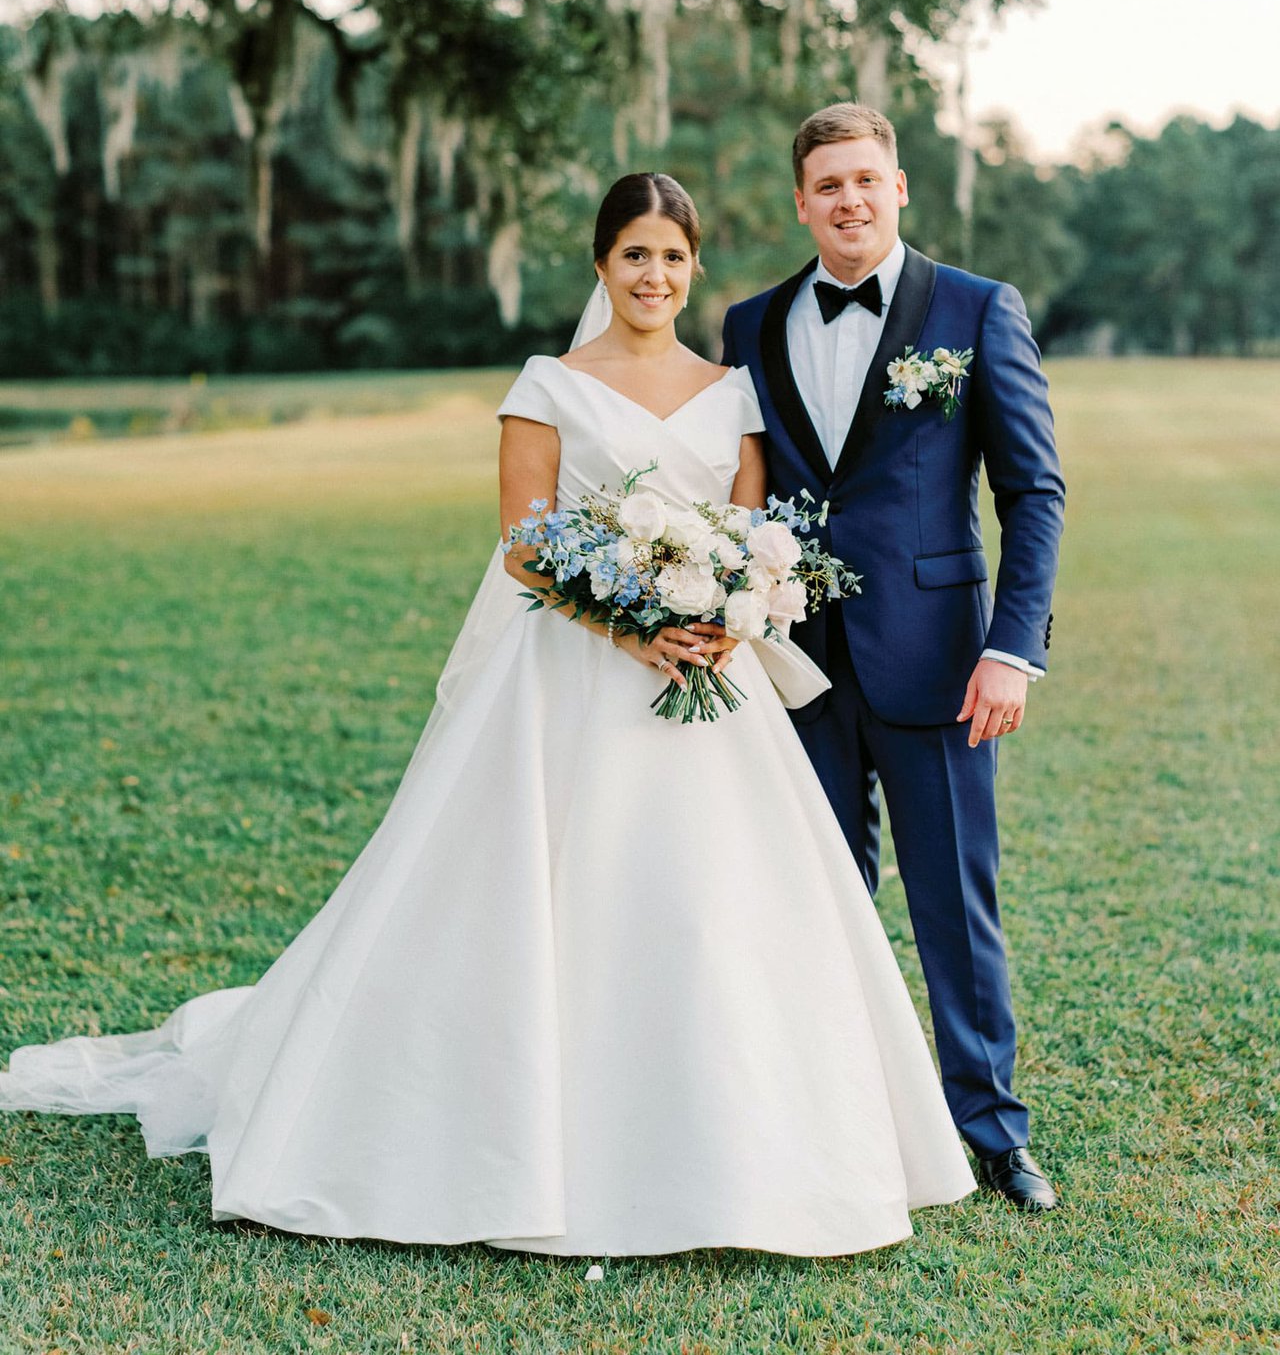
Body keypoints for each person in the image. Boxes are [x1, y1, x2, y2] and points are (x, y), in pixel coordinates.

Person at [0, 171, 977, 1256]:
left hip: (711, 680)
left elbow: (745, 528)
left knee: (713, 903)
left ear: (693, 267)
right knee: (542, 889)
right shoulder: (546, 383)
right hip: (571, 677)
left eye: (672, 256)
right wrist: (633, 626)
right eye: (633, 255)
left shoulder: (730, 387)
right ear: (601, 267)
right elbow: (524, 543)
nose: (654, 275)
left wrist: (726, 612)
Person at [721, 103, 1066, 1212]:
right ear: (800, 201)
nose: (848, 201)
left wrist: (1011, 648)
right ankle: (829, 1115)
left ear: (899, 185)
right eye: (827, 185)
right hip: (794, 669)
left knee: (953, 909)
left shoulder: (973, 308)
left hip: (941, 663)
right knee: (813, 898)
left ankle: (990, 1131)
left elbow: (1031, 490)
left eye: (865, 179)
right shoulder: (745, 323)